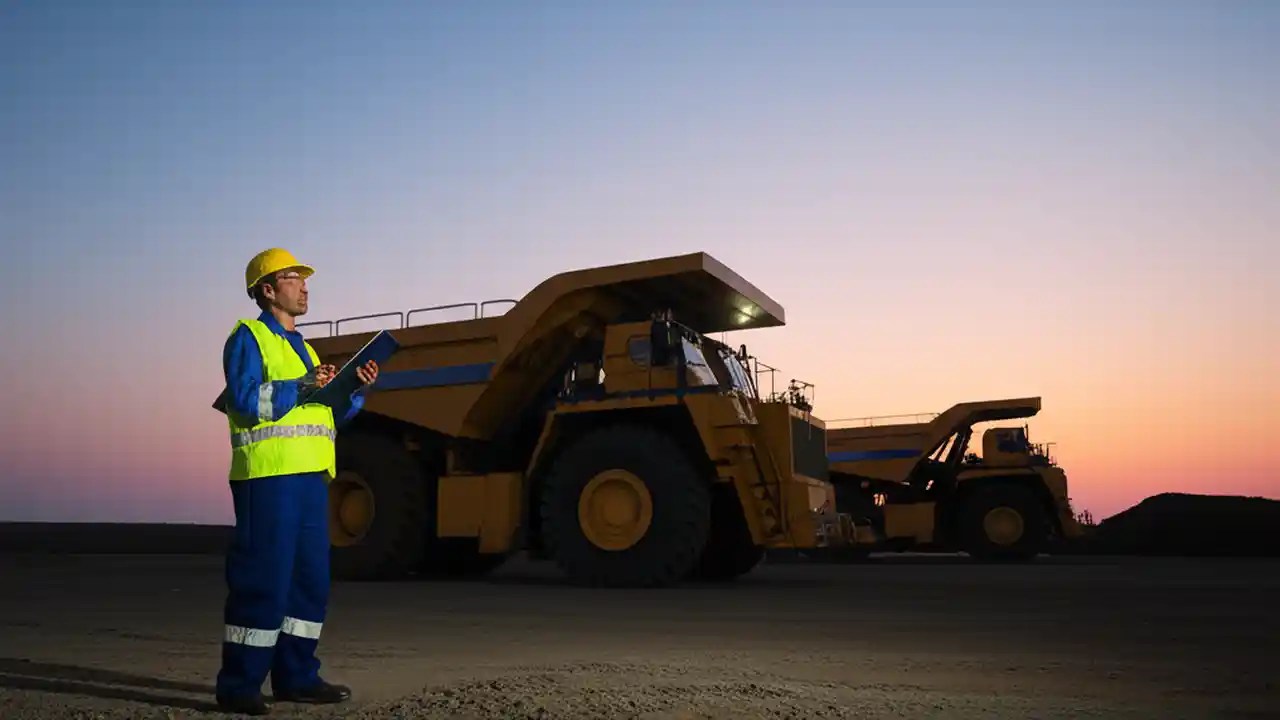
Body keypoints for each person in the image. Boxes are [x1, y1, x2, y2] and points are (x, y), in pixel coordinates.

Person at [214, 248, 377, 715]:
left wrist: (351, 388)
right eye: (293, 278)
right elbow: (244, 400)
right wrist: (303, 385)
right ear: (267, 290)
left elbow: (328, 415)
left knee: (309, 582)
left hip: (309, 479)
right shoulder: (248, 337)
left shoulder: (304, 347)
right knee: (263, 580)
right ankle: (239, 686)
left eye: (304, 280)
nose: (305, 286)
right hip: (268, 477)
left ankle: (297, 677)